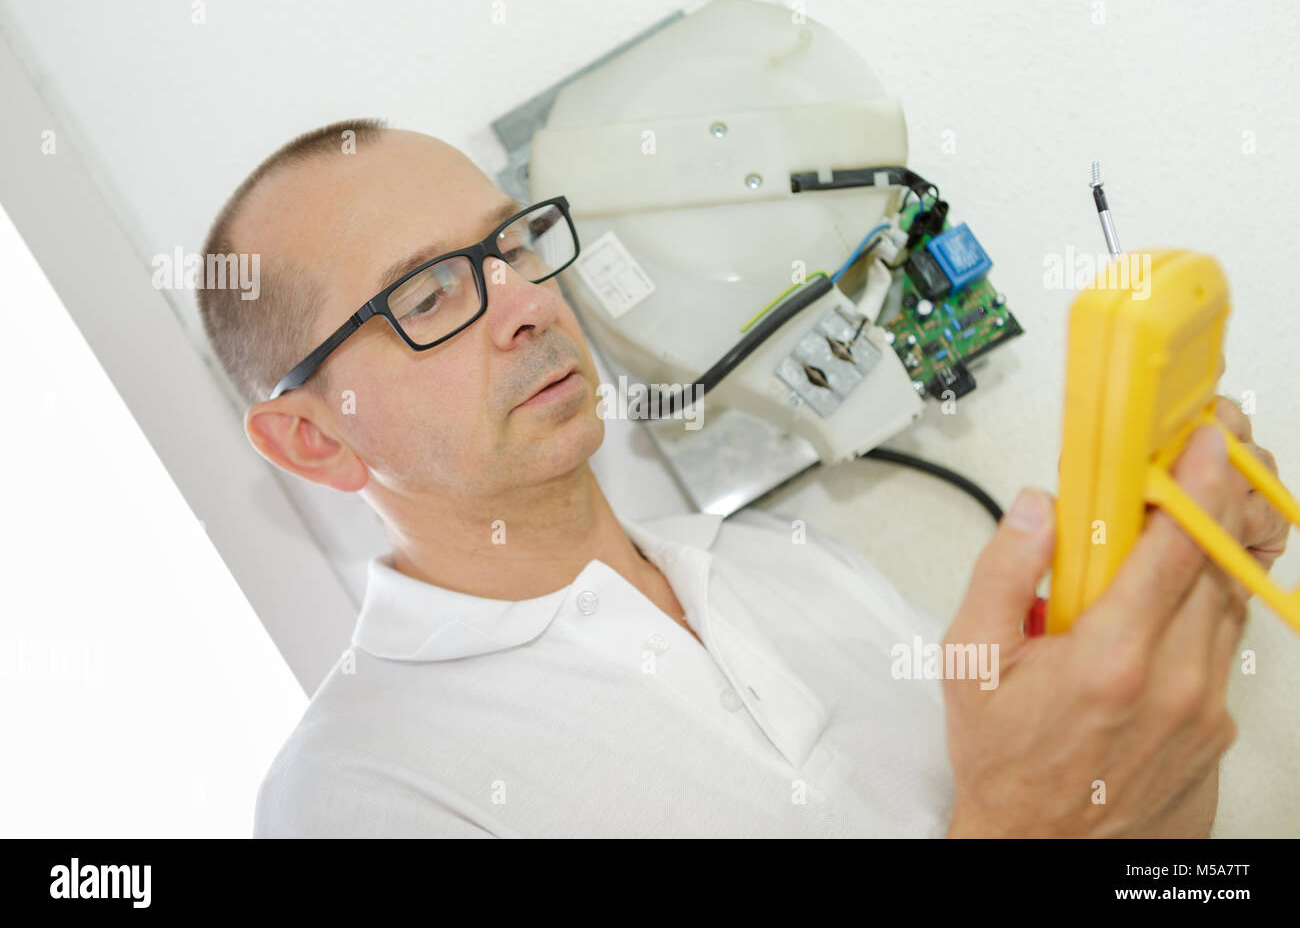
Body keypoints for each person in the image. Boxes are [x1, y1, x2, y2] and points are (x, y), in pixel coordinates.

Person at [196, 118, 1289, 837]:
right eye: (429, 298)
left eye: (515, 245)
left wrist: (1173, 624)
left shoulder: (796, 569)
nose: (525, 301)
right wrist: (1016, 819)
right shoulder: (354, 796)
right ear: (311, 441)